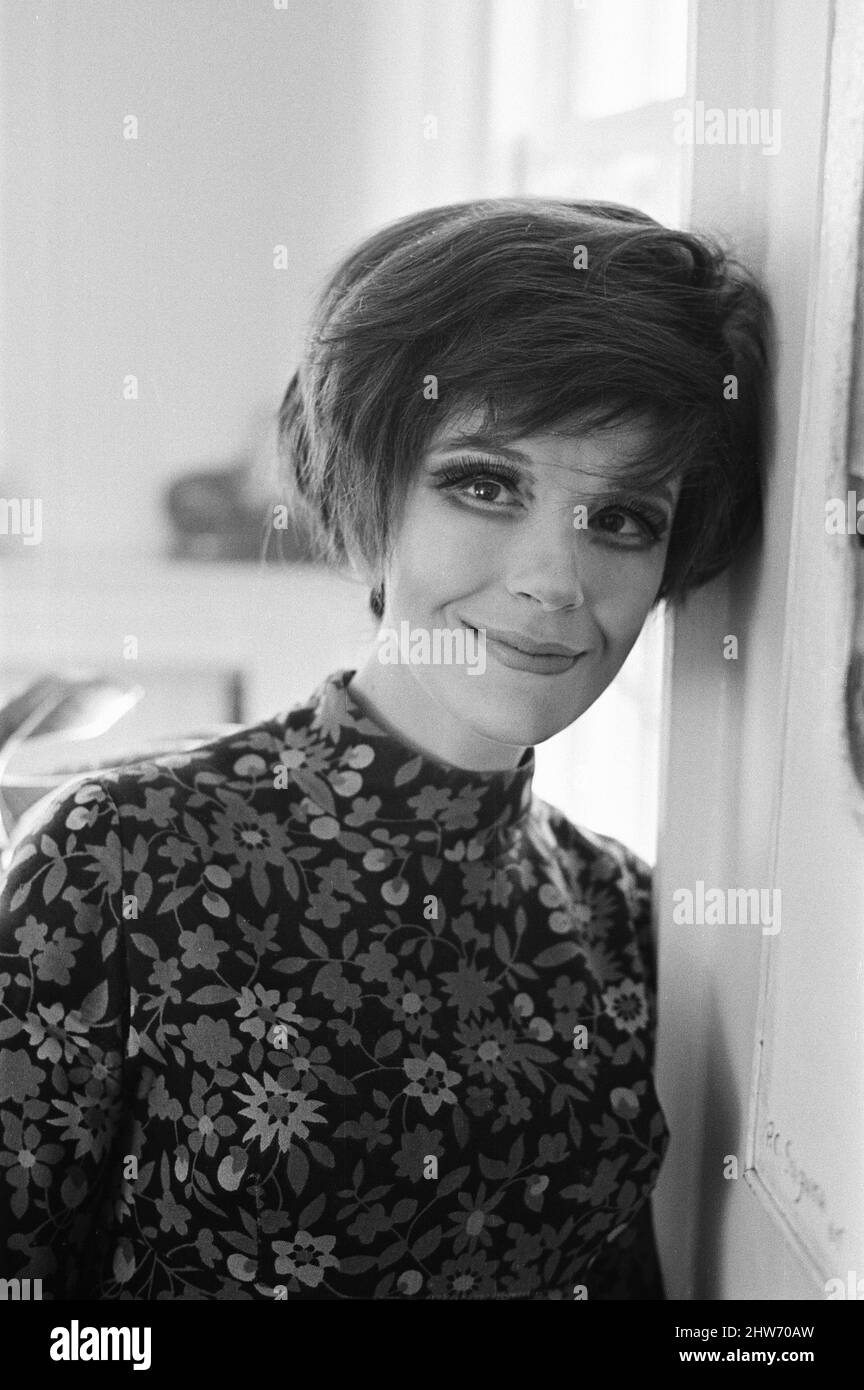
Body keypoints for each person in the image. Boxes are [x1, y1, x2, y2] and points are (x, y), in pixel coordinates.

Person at [0, 197, 769, 1299]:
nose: (554, 579)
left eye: (621, 519)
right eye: (486, 484)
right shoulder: (117, 858)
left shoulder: (623, 916)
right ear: (373, 491)